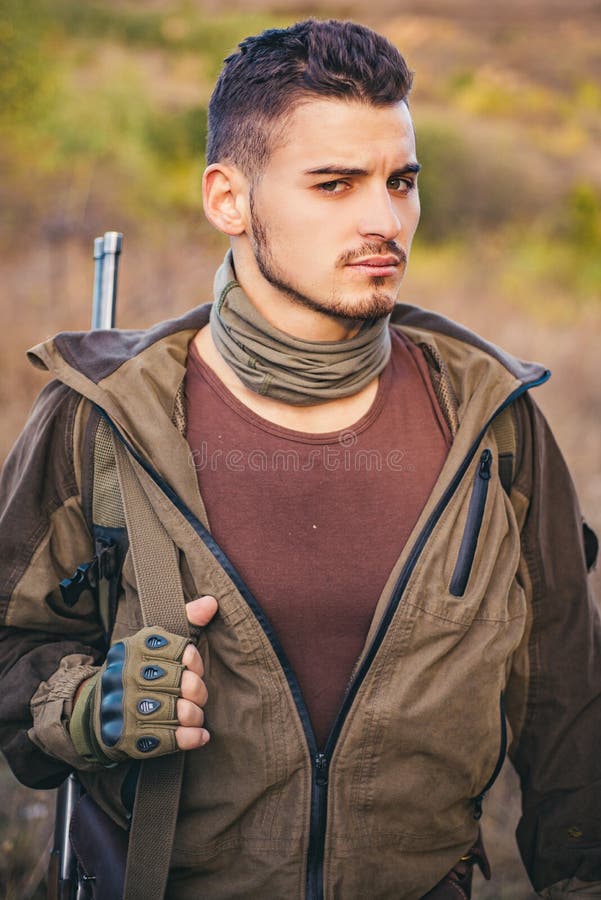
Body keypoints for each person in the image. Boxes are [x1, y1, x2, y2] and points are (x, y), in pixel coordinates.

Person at [0, 18, 600, 900]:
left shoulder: (492, 423)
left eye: (401, 181)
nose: (382, 219)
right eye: (335, 183)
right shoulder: (102, 415)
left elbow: (567, 716)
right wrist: (89, 708)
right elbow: (15, 649)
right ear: (227, 200)